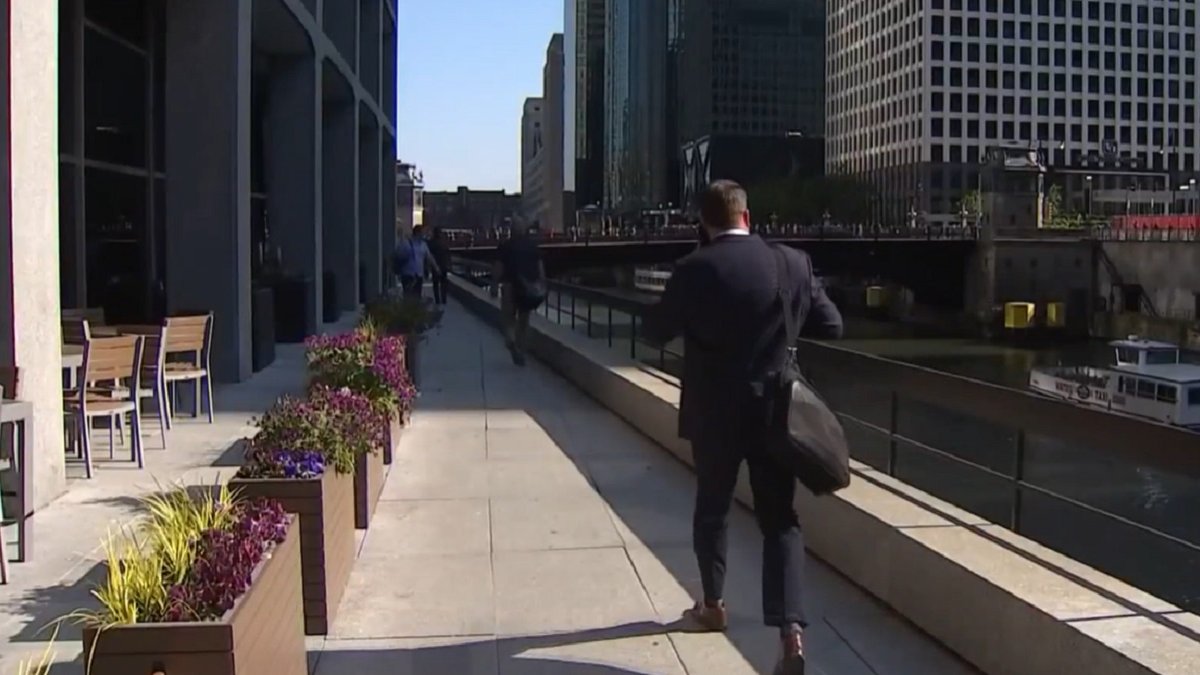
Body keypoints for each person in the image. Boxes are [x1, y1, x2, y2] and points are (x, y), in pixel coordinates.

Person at [642, 180, 843, 675]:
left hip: (715, 415)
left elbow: (653, 331)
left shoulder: (694, 269)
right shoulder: (791, 263)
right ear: (747, 217)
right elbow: (832, 325)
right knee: (781, 521)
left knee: (712, 510)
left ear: (705, 224)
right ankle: (791, 634)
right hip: (777, 414)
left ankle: (712, 607)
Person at [493, 224, 546, 366]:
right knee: (523, 321)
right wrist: (541, 286)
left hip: (509, 286)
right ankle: (521, 352)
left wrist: (494, 285)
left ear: (512, 231)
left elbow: (498, 268)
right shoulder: (533, 247)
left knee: (508, 318)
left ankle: (510, 340)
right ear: (524, 231)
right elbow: (540, 269)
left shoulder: (505, 246)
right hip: (527, 288)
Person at [394, 226, 439, 299]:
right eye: (422, 233)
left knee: (417, 295)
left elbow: (429, 256)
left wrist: (436, 267)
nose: (424, 235)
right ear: (417, 233)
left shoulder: (423, 245)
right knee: (408, 295)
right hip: (407, 274)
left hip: (418, 275)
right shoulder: (406, 243)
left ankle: (415, 308)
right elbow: (398, 255)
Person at [428, 227, 452, 306]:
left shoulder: (431, 243)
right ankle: (444, 299)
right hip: (443, 265)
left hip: (435, 265)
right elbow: (448, 254)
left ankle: (437, 300)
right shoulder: (444, 243)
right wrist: (449, 264)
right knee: (443, 283)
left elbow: (429, 255)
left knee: (435, 283)